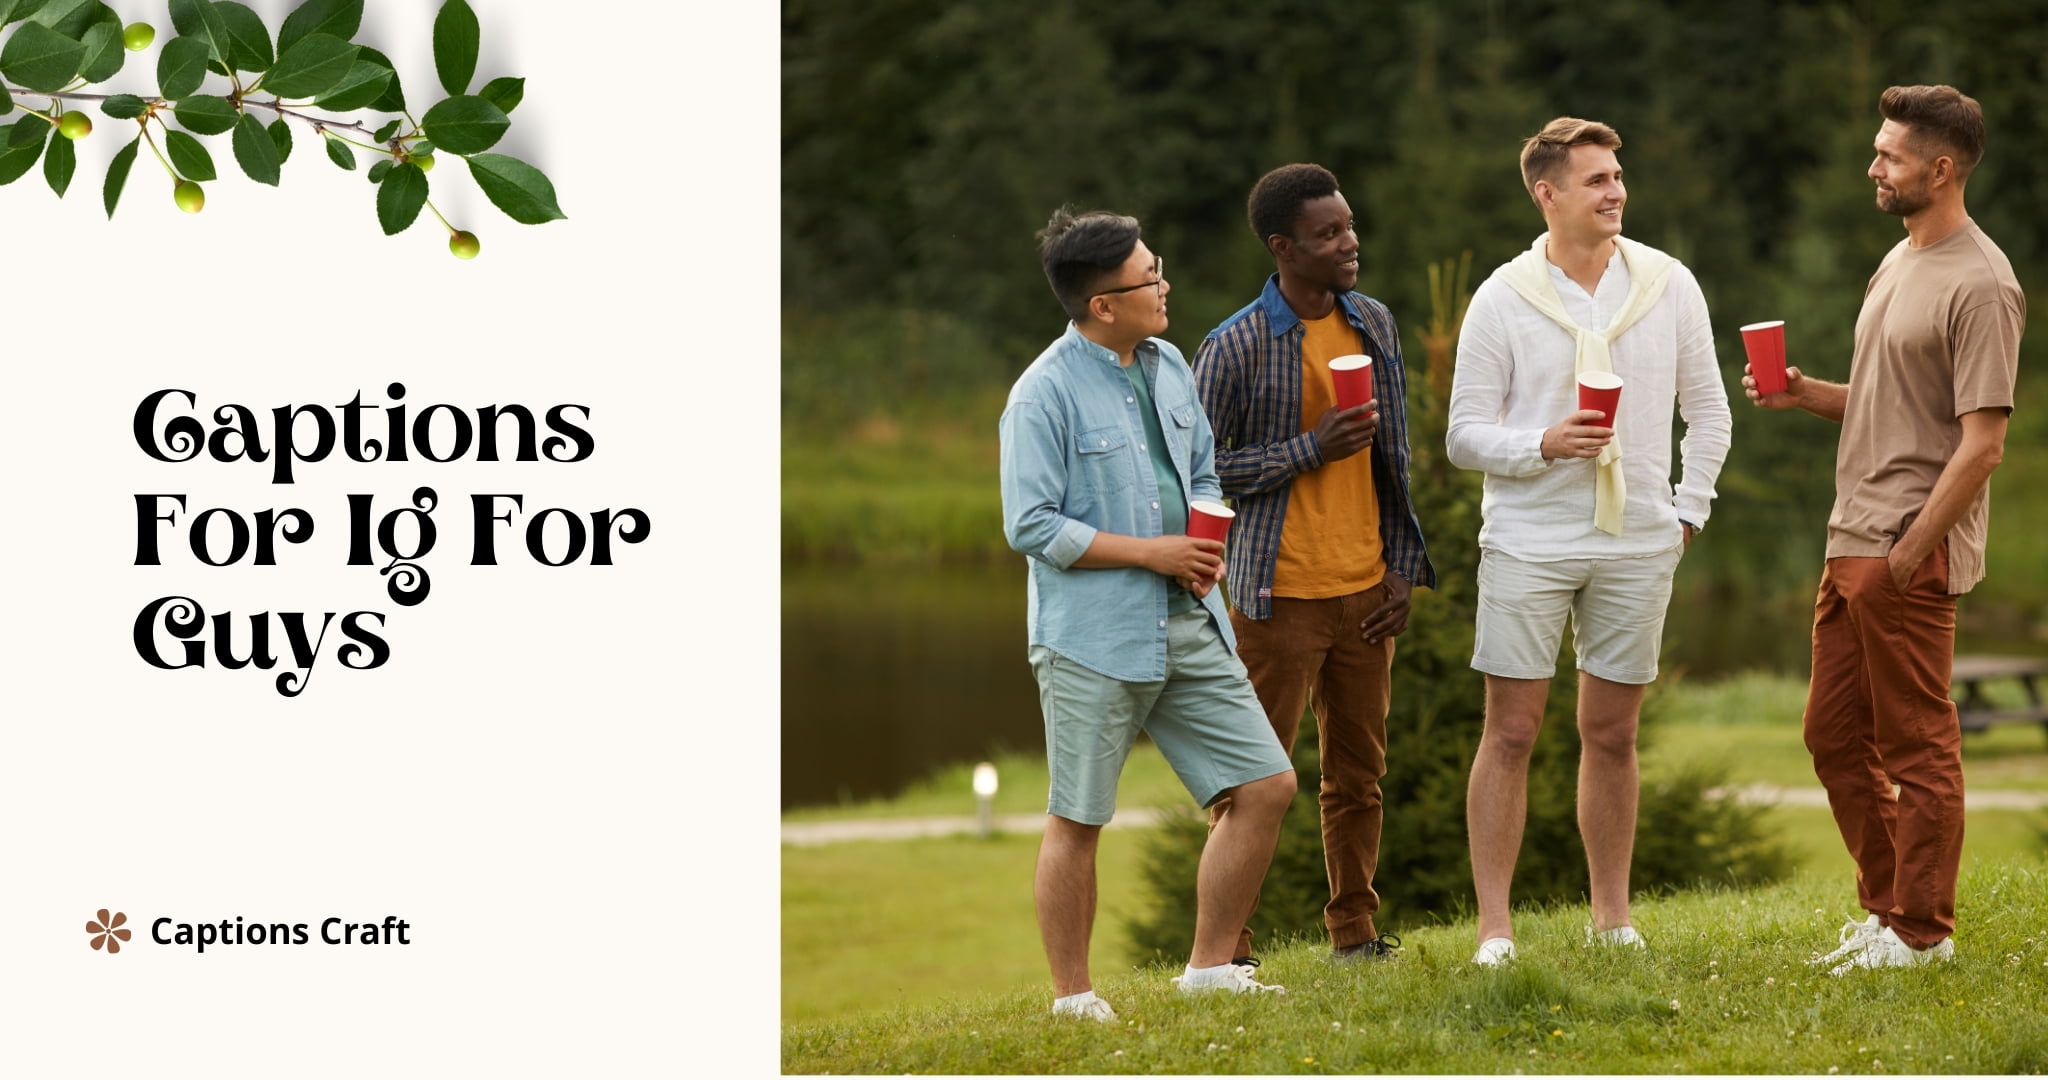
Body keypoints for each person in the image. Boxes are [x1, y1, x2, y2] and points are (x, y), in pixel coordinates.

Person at [1744, 85, 2023, 975]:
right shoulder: (1899, 260)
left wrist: (1909, 553)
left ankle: (1923, 933)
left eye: (1890, 155)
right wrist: (1801, 392)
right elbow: (1889, 405)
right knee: (1832, 736)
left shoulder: (1984, 284)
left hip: (1904, 550)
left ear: (1941, 170)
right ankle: (1887, 910)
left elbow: (1983, 446)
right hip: (1849, 538)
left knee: (1918, 742)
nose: (1873, 166)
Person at [999, 207, 1298, 1020]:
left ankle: (1209, 969)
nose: (1164, 286)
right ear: (1103, 304)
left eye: (1158, 267)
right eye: (1148, 278)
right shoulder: (1042, 395)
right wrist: (1151, 552)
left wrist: (1204, 535)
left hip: (1194, 619)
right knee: (1079, 817)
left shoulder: (1169, 364)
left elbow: (1202, 468)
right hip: (1091, 640)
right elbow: (1030, 525)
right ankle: (1074, 999)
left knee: (1266, 786)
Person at [1446, 117, 1731, 965]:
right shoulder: (1502, 297)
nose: (1616, 192)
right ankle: (1495, 930)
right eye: (1597, 180)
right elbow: (1464, 435)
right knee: (1512, 731)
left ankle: (1613, 919)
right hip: (1529, 540)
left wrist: (1688, 512)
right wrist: (1542, 444)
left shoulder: (1668, 283)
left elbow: (1707, 411)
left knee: (1612, 733)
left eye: (1617, 176)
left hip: (1639, 541)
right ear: (1548, 194)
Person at [1193, 163, 1435, 965]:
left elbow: (1392, 457)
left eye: (1349, 226)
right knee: (1252, 786)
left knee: (1358, 779)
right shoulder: (1234, 346)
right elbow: (1194, 474)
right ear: (1282, 247)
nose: (1349, 242)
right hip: (1276, 597)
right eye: (1328, 234)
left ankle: (1356, 933)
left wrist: (1399, 568)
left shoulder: (1373, 323)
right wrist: (1308, 448)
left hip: (1365, 591)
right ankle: (1229, 951)